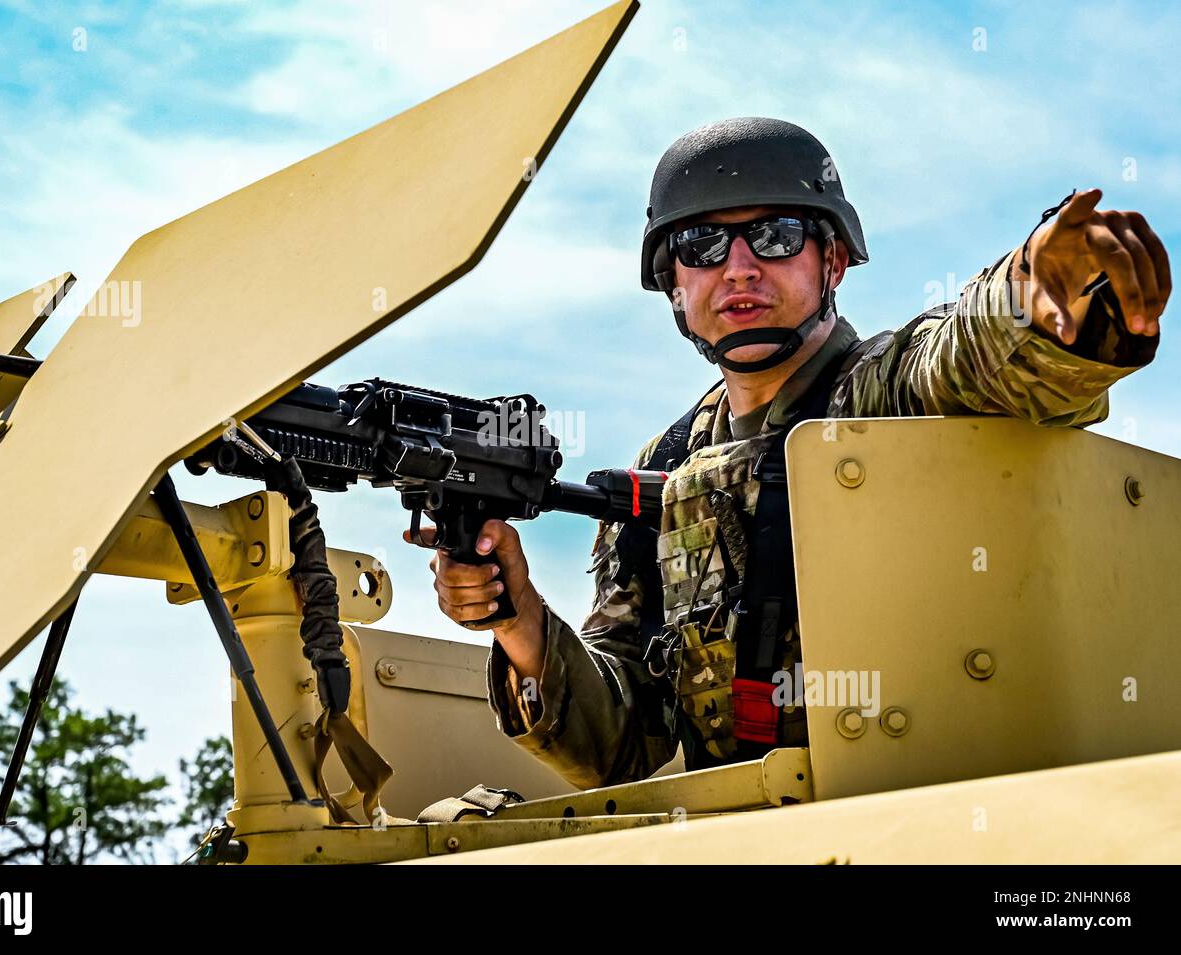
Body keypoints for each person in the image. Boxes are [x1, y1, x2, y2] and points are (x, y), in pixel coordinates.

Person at [411, 117, 1171, 790]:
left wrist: (1034, 296)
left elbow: (962, 357)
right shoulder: (666, 467)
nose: (738, 267)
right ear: (671, 283)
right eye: (701, 245)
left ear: (833, 260)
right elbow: (622, 746)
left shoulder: (879, 390)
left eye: (774, 236)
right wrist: (518, 623)